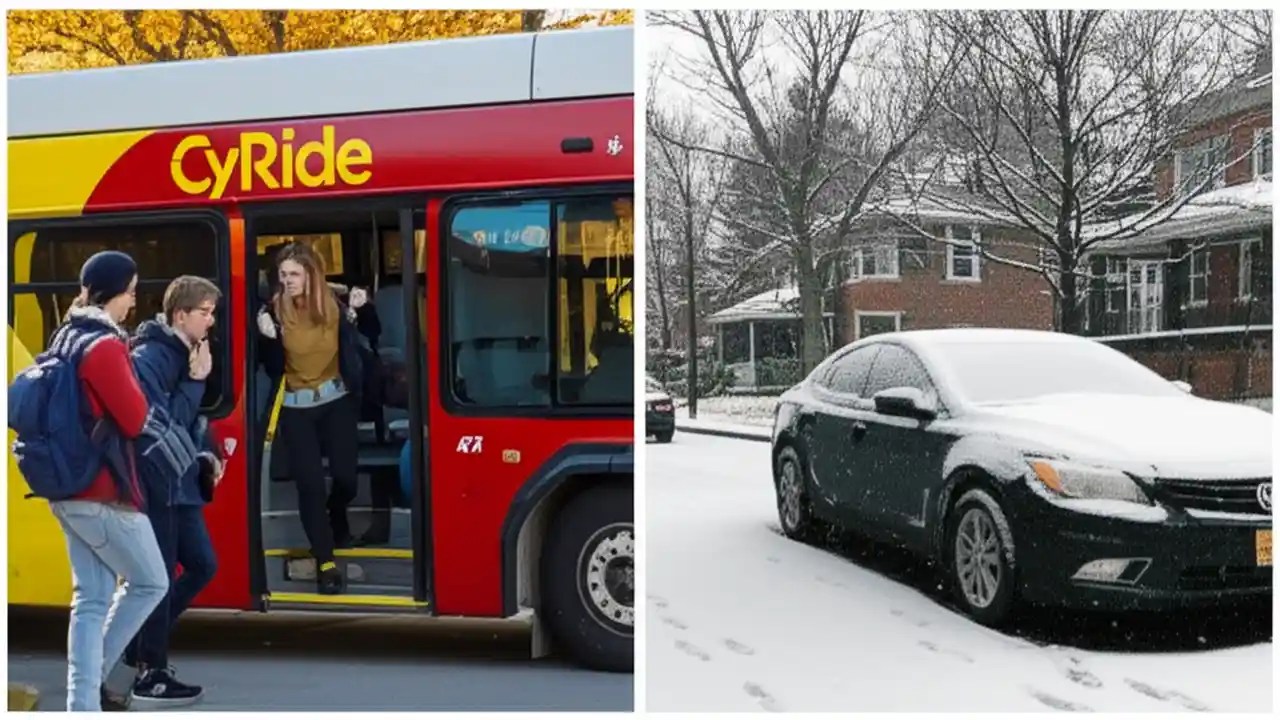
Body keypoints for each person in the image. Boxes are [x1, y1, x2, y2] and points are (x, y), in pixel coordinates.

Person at [47, 251, 169, 711]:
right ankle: (91, 681)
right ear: (113, 292)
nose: (133, 303)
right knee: (151, 583)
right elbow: (135, 419)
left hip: (65, 488)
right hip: (103, 492)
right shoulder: (103, 345)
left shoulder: (65, 336)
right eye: (131, 292)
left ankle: (82, 705)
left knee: (92, 599)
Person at [123, 276, 225, 707]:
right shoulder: (152, 356)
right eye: (204, 312)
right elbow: (161, 423)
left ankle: (142, 643)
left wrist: (209, 452)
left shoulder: (184, 352)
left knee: (202, 565)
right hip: (159, 482)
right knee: (160, 578)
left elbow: (190, 423)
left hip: (180, 482)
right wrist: (198, 380)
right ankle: (152, 671)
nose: (211, 321)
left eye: (212, 312)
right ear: (180, 315)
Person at [257, 243, 374, 594]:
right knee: (308, 486)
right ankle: (326, 562)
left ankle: (335, 514)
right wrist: (268, 339)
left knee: (345, 479)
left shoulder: (336, 304)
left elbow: (373, 335)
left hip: (337, 401)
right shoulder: (273, 312)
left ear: (311, 274)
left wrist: (363, 309)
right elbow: (272, 368)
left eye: (294, 274)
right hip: (295, 409)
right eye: (282, 275)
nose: (287, 281)